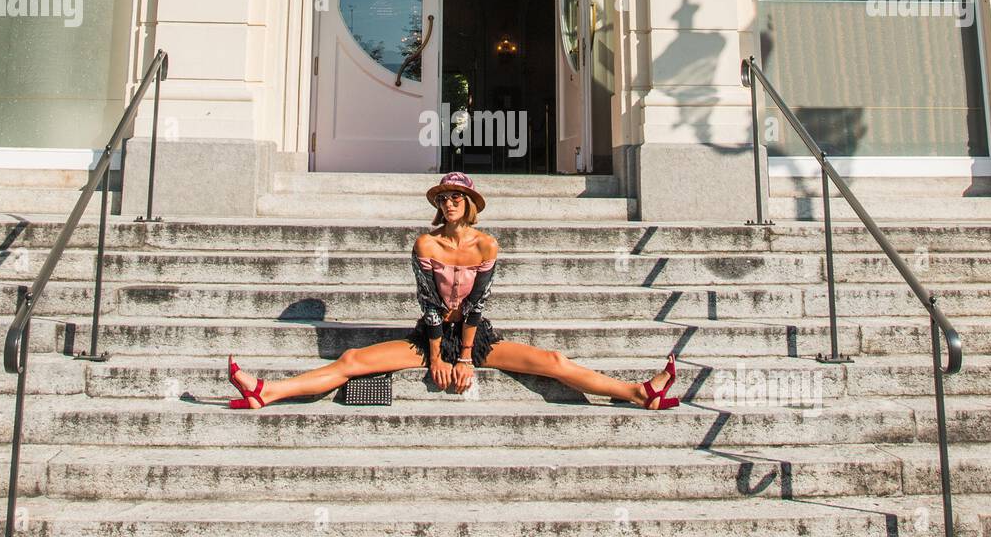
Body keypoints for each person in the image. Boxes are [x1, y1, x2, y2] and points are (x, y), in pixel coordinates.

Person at [226, 171, 679, 411]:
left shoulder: (486, 244)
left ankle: (639, 392)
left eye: (456, 196)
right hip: (431, 335)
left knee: (553, 362)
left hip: (473, 337)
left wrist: (463, 358)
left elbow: (478, 305)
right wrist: (439, 356)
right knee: (351, 361)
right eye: (443, 197)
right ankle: (266, 391)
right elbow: (427, 305)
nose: (448, 202)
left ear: (471, 204)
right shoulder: (426, 243)